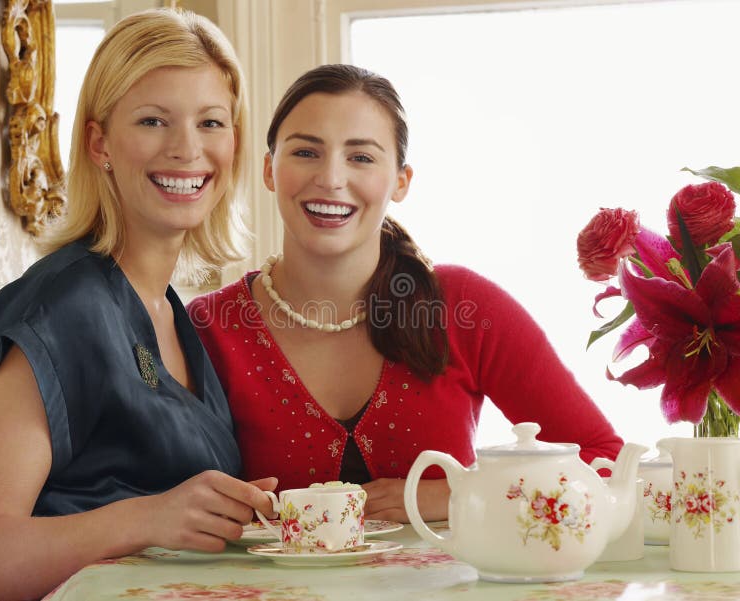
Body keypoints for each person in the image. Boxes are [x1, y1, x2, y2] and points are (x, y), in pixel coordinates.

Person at [187, 63, 624, 524]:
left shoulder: (463, 307)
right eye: (306, 152)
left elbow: (604, 462)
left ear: (400, 181)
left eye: (361, 157)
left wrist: (461, 494)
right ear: (269, 170)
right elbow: (168, 494)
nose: (332, 178)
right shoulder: (207, 327)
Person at [0, 9, 276, 600]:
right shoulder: (58, 308)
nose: (186, 149)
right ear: (99, 143)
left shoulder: (179, 317)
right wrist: (145, 519)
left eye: (211, 122)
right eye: (153, 120)